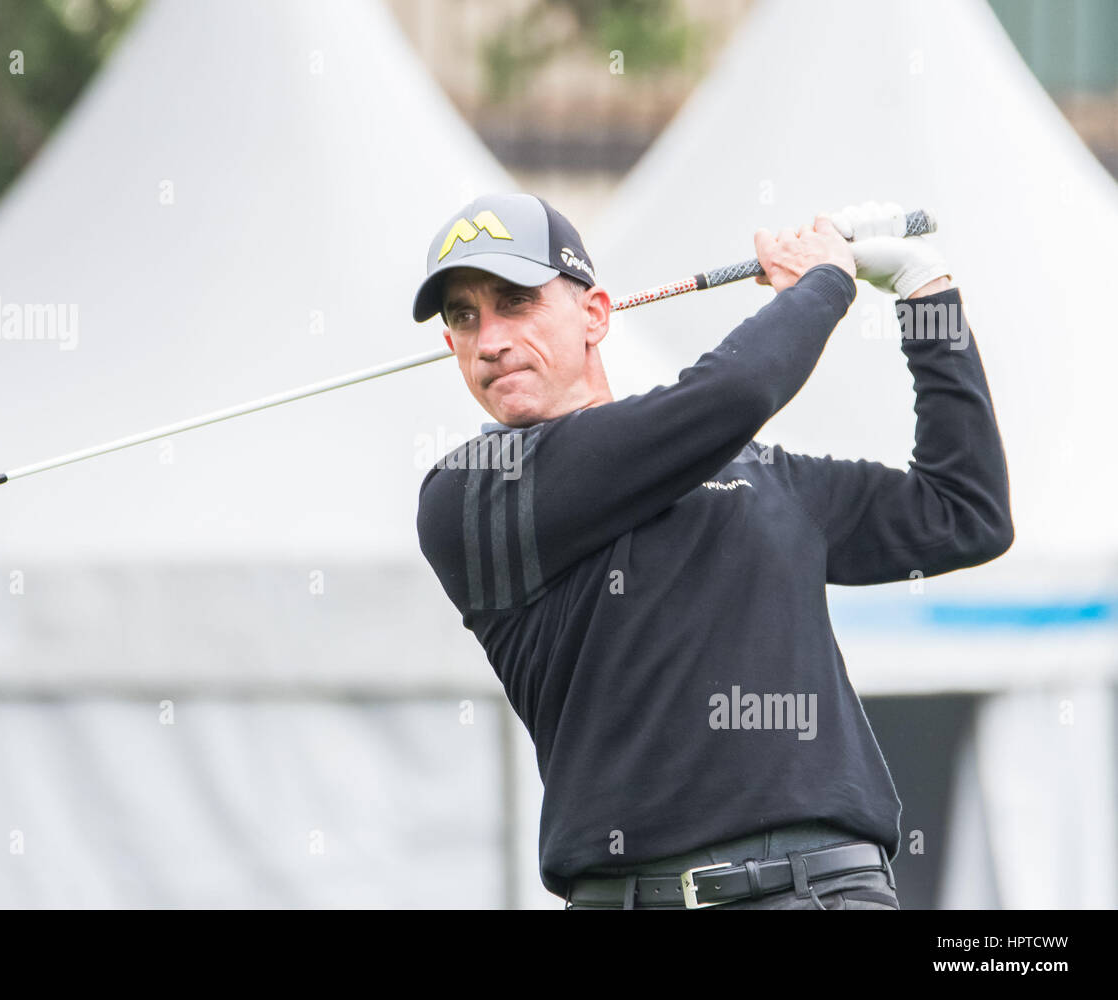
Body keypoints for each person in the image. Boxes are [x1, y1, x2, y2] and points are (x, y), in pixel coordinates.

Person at [411, 193, 1012, 909]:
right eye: (463, 316)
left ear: (595, 315)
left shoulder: (761, 473)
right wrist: (826, 281)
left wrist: (923, 290)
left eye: (515, 302)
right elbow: (733, 391)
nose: (490, 339)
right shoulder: (470, 494)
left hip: (825, 891)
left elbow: (964, 512)